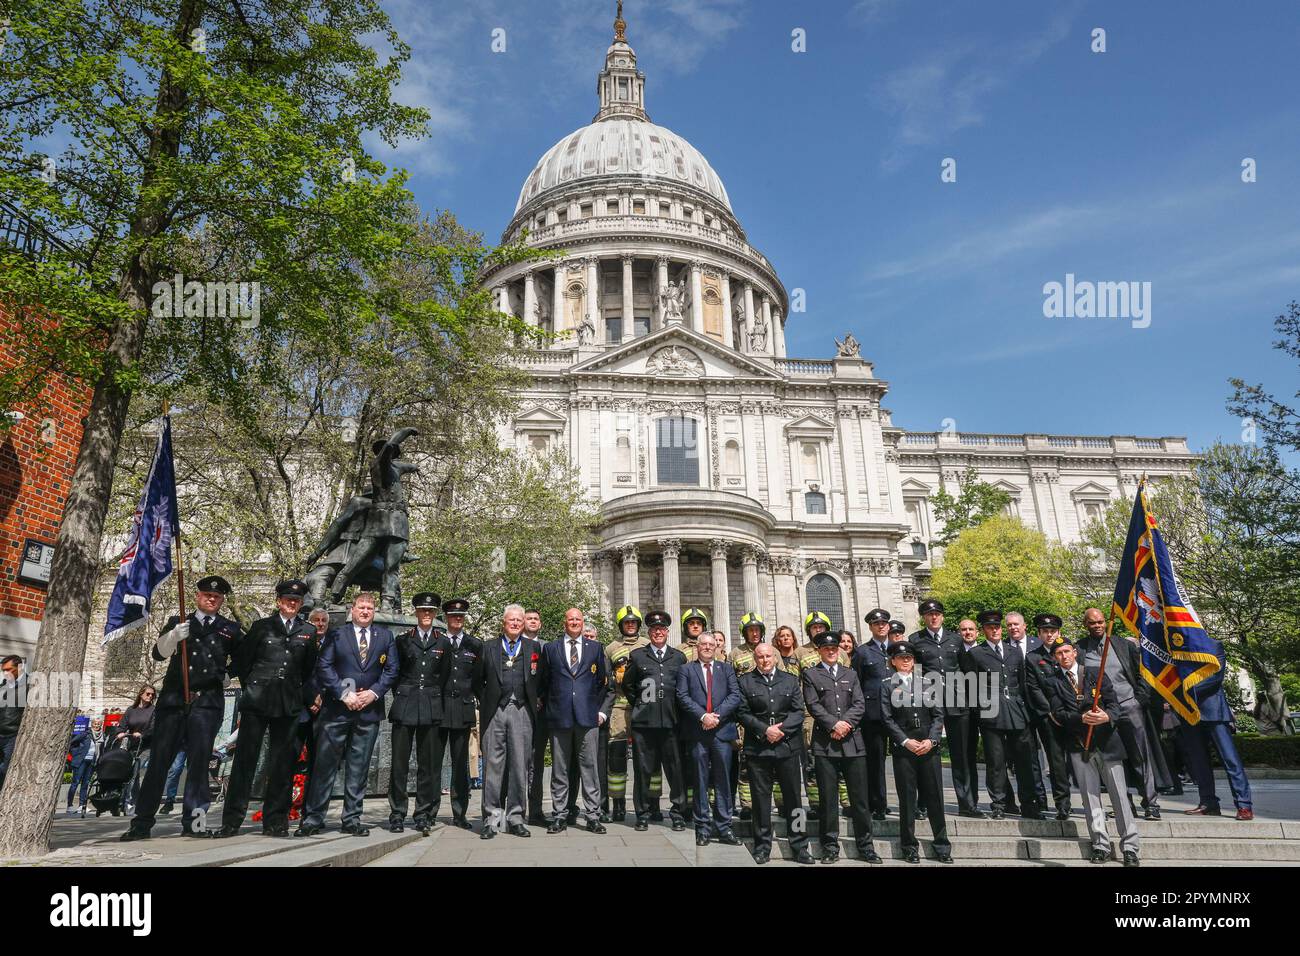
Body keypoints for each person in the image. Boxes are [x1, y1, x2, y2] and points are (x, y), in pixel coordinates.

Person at [122, 575, 242, 840]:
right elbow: (158, 653)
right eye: (207, 595)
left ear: (221, 600)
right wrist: (173, 637)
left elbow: (244, 659)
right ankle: (141, 824)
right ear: (197, 596)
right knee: (159, 762)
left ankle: (195, 824)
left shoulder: (229, 628)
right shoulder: (179, 622)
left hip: (207, 703)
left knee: (199, 766)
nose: (212, 599)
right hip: (175, 702)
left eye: (217, 596)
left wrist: (227, 675)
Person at [217, 579, 318, 838]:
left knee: (282, 765)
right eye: (287, 600)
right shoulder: (262, 627)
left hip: (288, 704)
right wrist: (255, 684)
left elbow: (308, 670)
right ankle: (231, 820)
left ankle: (275, 821)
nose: (292, 603)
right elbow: (244, 661)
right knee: (245, 762)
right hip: (258, 700)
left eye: (296, 601)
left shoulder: (308, 631)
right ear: (278, 602)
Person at [298, 591, 398, 837]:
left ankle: (352, 818)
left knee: (359, 768)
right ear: (351, 610)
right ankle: (313, 818)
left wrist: (373, 693)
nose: (365, 611)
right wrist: (345, 693)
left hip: (368, 712)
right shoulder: (336, 635)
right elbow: (324, 666)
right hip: (337, 711)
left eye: (369, 608)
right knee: (324, 766)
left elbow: (392, 670)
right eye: (361, 607)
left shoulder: (385, 636)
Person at [1044, 636, 1139, 866]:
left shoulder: (1095, 672)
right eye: (1059, 654)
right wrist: (1081, 718)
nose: (1064, 656)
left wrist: (1106, 716)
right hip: (1079, 745)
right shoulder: (1053, 682)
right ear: (1055, 657)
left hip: (1107, 744)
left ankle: (1130, 847)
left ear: (1075, 652)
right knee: (1090, 797)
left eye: (1067, 651)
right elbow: (1058, 714)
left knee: (1119, 796)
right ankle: (1100, 844)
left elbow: (1115, 705)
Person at [802, 630, 880, 864]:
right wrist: (834, 724)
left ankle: (865, 846)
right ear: (819, 651)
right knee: (828, 799)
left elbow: (859, 703)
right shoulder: (811, 675)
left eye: (834, 648)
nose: (831, 651)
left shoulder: (851, 674)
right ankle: (830, 847)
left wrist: (845, 724)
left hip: (852, 742)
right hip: (825, 744)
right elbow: (813, 704)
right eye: (826, 649)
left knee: (860, 799)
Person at [1078, 608, 1160, 819]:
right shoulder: (1080, 649)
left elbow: (1143, 673)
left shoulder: (1123, 644)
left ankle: (1151, 803)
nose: (1097, 625)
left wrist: (1139, 700)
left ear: (1105, 622)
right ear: (1085, 625)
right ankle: (1125, 804)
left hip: (1129, 705)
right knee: (1114, 760)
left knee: (1140, 755)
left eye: (1100, 622)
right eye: (1092, 623)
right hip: (1103, 713)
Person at [736, 642, 814, 865]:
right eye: (760, 657)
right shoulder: (745, 681)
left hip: (786, 746)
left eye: (768, 656)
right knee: (760, 801)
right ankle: (762, 847)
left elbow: (798, 710)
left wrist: (781, 731)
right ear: (755, 659)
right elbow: (742, 712)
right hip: (758, 748)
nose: (764, 660)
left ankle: (799, 845)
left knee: (794, 800)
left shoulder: (789, 679)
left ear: (776, 657)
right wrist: (764, 730)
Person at [963, 610, 1041, 819]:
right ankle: (999, 804)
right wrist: (980, 712)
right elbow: (971, 687)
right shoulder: (976, 654)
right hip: (992, 712)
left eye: (997, 626)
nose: (995, 630)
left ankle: (1029, 804)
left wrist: (1026, 708)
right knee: (996, 762)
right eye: (990, 627)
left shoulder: (1013, 651)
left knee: (1024, 760)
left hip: (1016, 710)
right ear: (984, 631)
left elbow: (1022, 682)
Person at [473, 604, 541, 840]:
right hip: (495, 711)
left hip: (522, 711)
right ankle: (491, 818)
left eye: (518, 621)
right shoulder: (489, 646)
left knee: (519, 766)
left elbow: (540, 679)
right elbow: (476, 680)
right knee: (493, 765)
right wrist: (487, 701)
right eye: (511, 620)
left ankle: (515, 817)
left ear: (523, 624)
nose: (514, 623)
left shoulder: (534, 648)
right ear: (503, 622)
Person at [881, 642, 953, 864]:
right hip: (905, 750)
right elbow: (887, 718)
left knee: (935, 798)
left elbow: (938, 715)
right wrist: (904, 741)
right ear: (893, 661)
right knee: (907, 800)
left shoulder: (927, 683)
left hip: (928, 749)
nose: (906, 661)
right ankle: (909, 846)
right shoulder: (886, 686)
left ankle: (942, 845)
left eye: (909, 657)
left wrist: (931, 741)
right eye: (901, 657)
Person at [910, 599, 984, 818]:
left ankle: (967, 803)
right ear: (924, 617)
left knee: (962, 754)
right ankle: (924, 803)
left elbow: (966, 669)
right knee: (926, 754)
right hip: (930, 704)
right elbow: (915, 675)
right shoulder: (916, 640)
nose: (934, 617)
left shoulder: (955, 639)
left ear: (942, 616)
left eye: (937, 614)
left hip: (957, 702)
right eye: (929, 614)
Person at [387, 592, 450, 835]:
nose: (426, 615)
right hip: (405, 704)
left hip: (431, 706)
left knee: (428, 765)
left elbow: (443, 677)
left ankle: (422, 813)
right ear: (416, 613)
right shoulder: (403, 640)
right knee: (399, 764)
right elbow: (396, 672)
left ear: (435, 614)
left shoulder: (442, 642)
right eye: (423, 611)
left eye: (431, 611)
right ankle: (397, 813)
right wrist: (405, 692)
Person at [541, 607, 608, 833]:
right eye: (570, 619)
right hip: (560, 717)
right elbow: (544, 683)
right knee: (559, 770)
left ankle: (593, 815)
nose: (574, 622)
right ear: (564, 623)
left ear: (583, 622)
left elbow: (603, 683)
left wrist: (597, 711)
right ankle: (559, 815)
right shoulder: (551, 648)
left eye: (578, 619)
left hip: (587, 718)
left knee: (590, 769)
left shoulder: (596, 648)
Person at [621, 610, 688, 831]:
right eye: (654, 629)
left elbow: (684, 688)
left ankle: (678, 813)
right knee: (643, 770)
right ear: (649, 632)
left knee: (675, 769)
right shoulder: (638, 656)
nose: (658, 632)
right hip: (645, 724)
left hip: (671, 722)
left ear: (667, 632)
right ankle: (642, 813)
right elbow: (628, 686)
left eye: (661, 629)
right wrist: (641, 704)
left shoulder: (678, 658)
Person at [676, 631, 742, 847]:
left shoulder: (727, 669)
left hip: (722, 732)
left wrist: (716, 716)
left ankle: (724, 827)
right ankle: (702, 828)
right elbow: (682, 696)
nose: (706, 647)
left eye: (710, 644)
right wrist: (703, 716)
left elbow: (735, 695)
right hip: (697, 732)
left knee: (723, 780)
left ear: (716, 647)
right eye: (703, 644)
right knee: (700, 781)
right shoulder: (686, 669)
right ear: (697, 647)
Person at [1178, 638, 1253, 820]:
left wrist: (1184, 691)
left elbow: (1215, 676)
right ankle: (1208, 803)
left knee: (1230, 760)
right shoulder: (1175, 646)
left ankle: (1244, 806)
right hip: (1189, 714)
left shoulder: (1214, 645)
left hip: (1214, 711)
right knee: (1199, 763)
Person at [1023, 614, 1074, 820]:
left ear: (1058, 632)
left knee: (1082, 759)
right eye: (1045, 631)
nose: (1049, 634)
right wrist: (1050, 713)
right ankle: (1063, 804)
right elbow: (1034, 688)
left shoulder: (1066, 652)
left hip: (1074, 716)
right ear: (1039, 634)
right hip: (1050, 718)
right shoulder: (1033, 658)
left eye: (1053, 631)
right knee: (1056, 763)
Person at [439, 597, 482, 829]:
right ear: (446, 618)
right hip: (439, 709)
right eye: (454, 616)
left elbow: (478, 681)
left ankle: (459, 813)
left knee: (460, 764)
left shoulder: (474, 645)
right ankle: (428, 811)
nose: (457, 619)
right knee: (433, 763)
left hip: (463, 709)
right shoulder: (438, 641)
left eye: (461, 616)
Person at [603, 605, 648, 822]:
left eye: (634, 622)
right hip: (619, 706)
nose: (630, 625)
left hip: (642, 705)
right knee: (617, 755)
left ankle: (650, 803)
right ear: (621, 625)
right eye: (627, 623)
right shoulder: (611, 648)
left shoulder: (648, 645)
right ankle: (618, 803)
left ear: (638, 625)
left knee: (646, 756)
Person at [852, 609, 894, 821]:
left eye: (884, 623)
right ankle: (878, 804)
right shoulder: (862, 652)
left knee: (906, 761)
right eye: (877, 623)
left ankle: (913, 804)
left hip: (898, 713)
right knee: (875, 761)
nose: (881, 626)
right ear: (870, 626)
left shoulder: (899, 650)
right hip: (873, 714)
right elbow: (856, 684)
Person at [1004, 611, 1048, 811]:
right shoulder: (1002, 647)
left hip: (1044, 707)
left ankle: (1055, 798)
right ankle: (1037, 798)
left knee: (1053, 756)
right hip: (1019, 710)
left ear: (1024, 626)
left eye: (1016, 624)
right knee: (1029, 757)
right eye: (1009, 625)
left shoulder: (1038, 644)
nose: (1013, 628)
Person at [728, 611, 766, 819]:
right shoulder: (735, 654)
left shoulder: (772, 652)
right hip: (744, 717)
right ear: (744, 632)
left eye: (757, 629)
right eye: (750, 630)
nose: (754, 633)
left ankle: (771, 803)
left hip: (767, 715)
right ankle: (748, 805)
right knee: (745, 763)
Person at [523, 608, 552, 825]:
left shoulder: (547, 648)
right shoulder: (510, 644)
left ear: (540, 624)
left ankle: (535, 811)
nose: (533, 621)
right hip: (517, 711)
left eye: (536, 619)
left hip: (540, 713)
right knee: (514, 763)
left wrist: (540, 697)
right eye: (529, 618)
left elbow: (550, 678)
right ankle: (513, 810)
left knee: (537, 763)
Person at [114, 684, 157, 815]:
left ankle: (129, 802)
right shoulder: (131, 710)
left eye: (152, 695)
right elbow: (122, 726)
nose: (150, 696)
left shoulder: (154, 710)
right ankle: (137, 802)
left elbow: (154, 728)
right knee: (133, 775)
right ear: (141, 694)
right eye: (148, 694)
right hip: (132, 746)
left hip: (147, 746)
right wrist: (120, 733)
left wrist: (142, 735)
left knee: (135, 771)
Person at [0, 655, 26, 791]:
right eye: (3, 670)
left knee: (5, 768)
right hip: (0, 733)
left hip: (13, 735)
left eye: (9, 669)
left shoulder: (29, 685)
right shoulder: (2, 687)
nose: (5, 673)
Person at [67, 715, 101, 816]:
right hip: (81, 761)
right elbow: (72, 742)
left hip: (91, 762)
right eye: (95, 724)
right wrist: (75, 753)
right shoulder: (86, 733)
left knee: (85, 784)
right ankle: (69, 805)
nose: (96, 726)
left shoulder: (101, 736)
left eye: (98, 724)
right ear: (92, 724)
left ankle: (82, 805)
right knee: (75, 783)